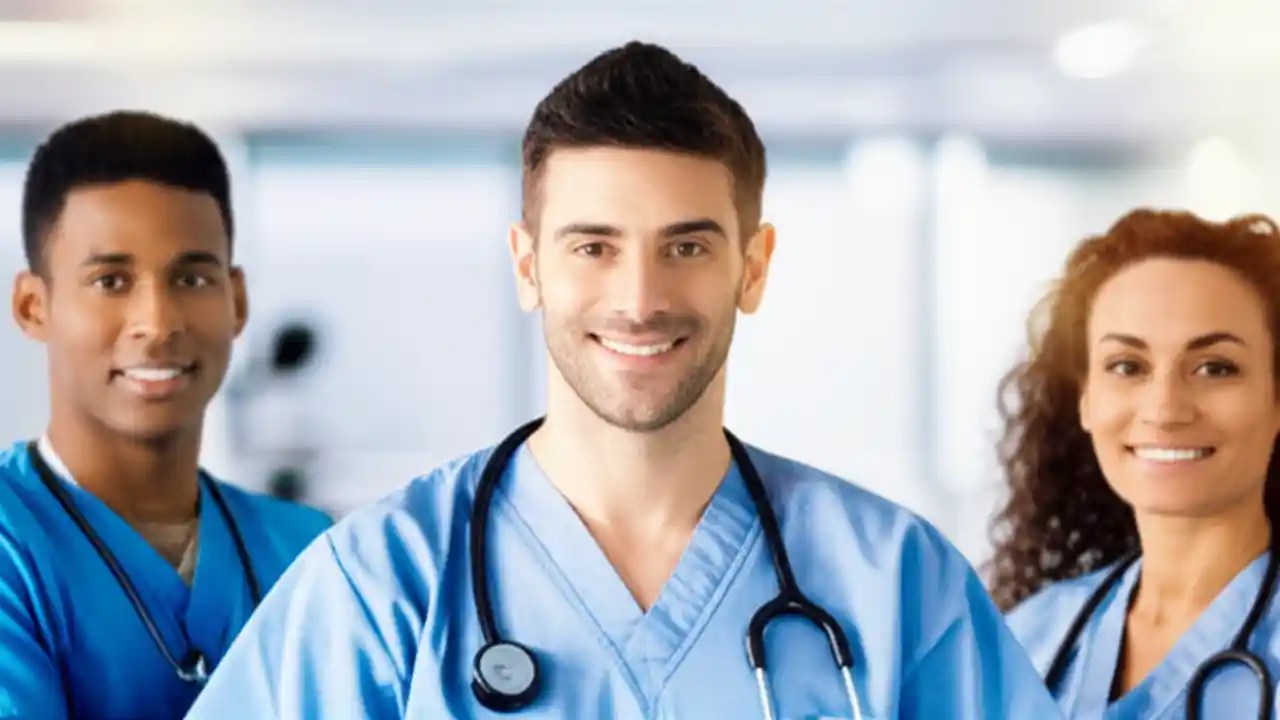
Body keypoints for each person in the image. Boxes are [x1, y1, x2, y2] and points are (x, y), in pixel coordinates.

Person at [186, 41, 1061, 719]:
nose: (639, 299)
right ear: (527, 267)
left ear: (753, 269)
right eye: (593, 247)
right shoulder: (386, 585)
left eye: (686, 247)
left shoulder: (894, 584)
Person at [0, 111, 333, 718]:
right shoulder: (13, 543)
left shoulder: (310, 550)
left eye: (191, 277)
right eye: (110, 280)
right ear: (32, 306)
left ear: (236, 301)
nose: (157, 323)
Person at [990, 208, 1280, 719]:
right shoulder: (1031, 637)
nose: (1166, 409)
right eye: (1128, 367)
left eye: (1215, 368)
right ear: (1085, 400)